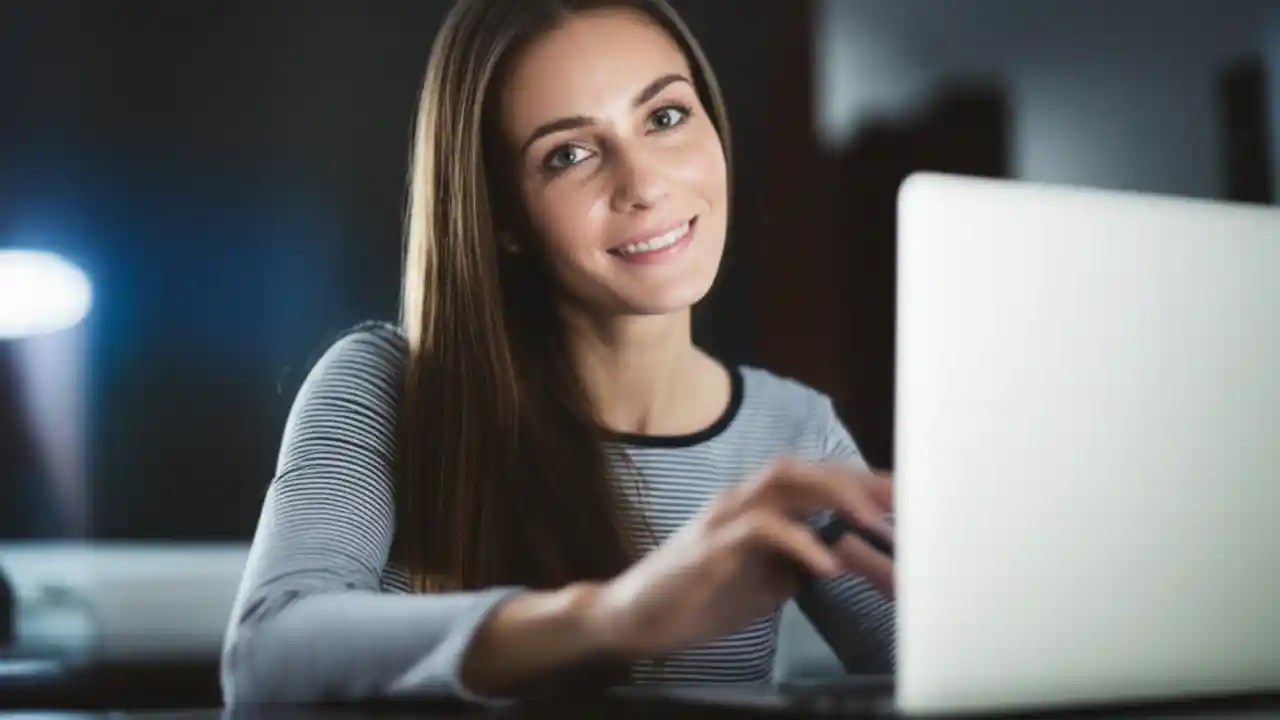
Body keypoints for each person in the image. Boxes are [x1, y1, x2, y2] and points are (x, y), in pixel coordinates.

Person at [220, 0, 895, 706]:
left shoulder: (796, 433)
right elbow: (265, 659)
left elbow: (946, 665)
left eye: (665, 116)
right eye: (569, 154)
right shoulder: (389, 387)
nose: (644, 185)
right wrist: (610, 616)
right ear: (503, 216)